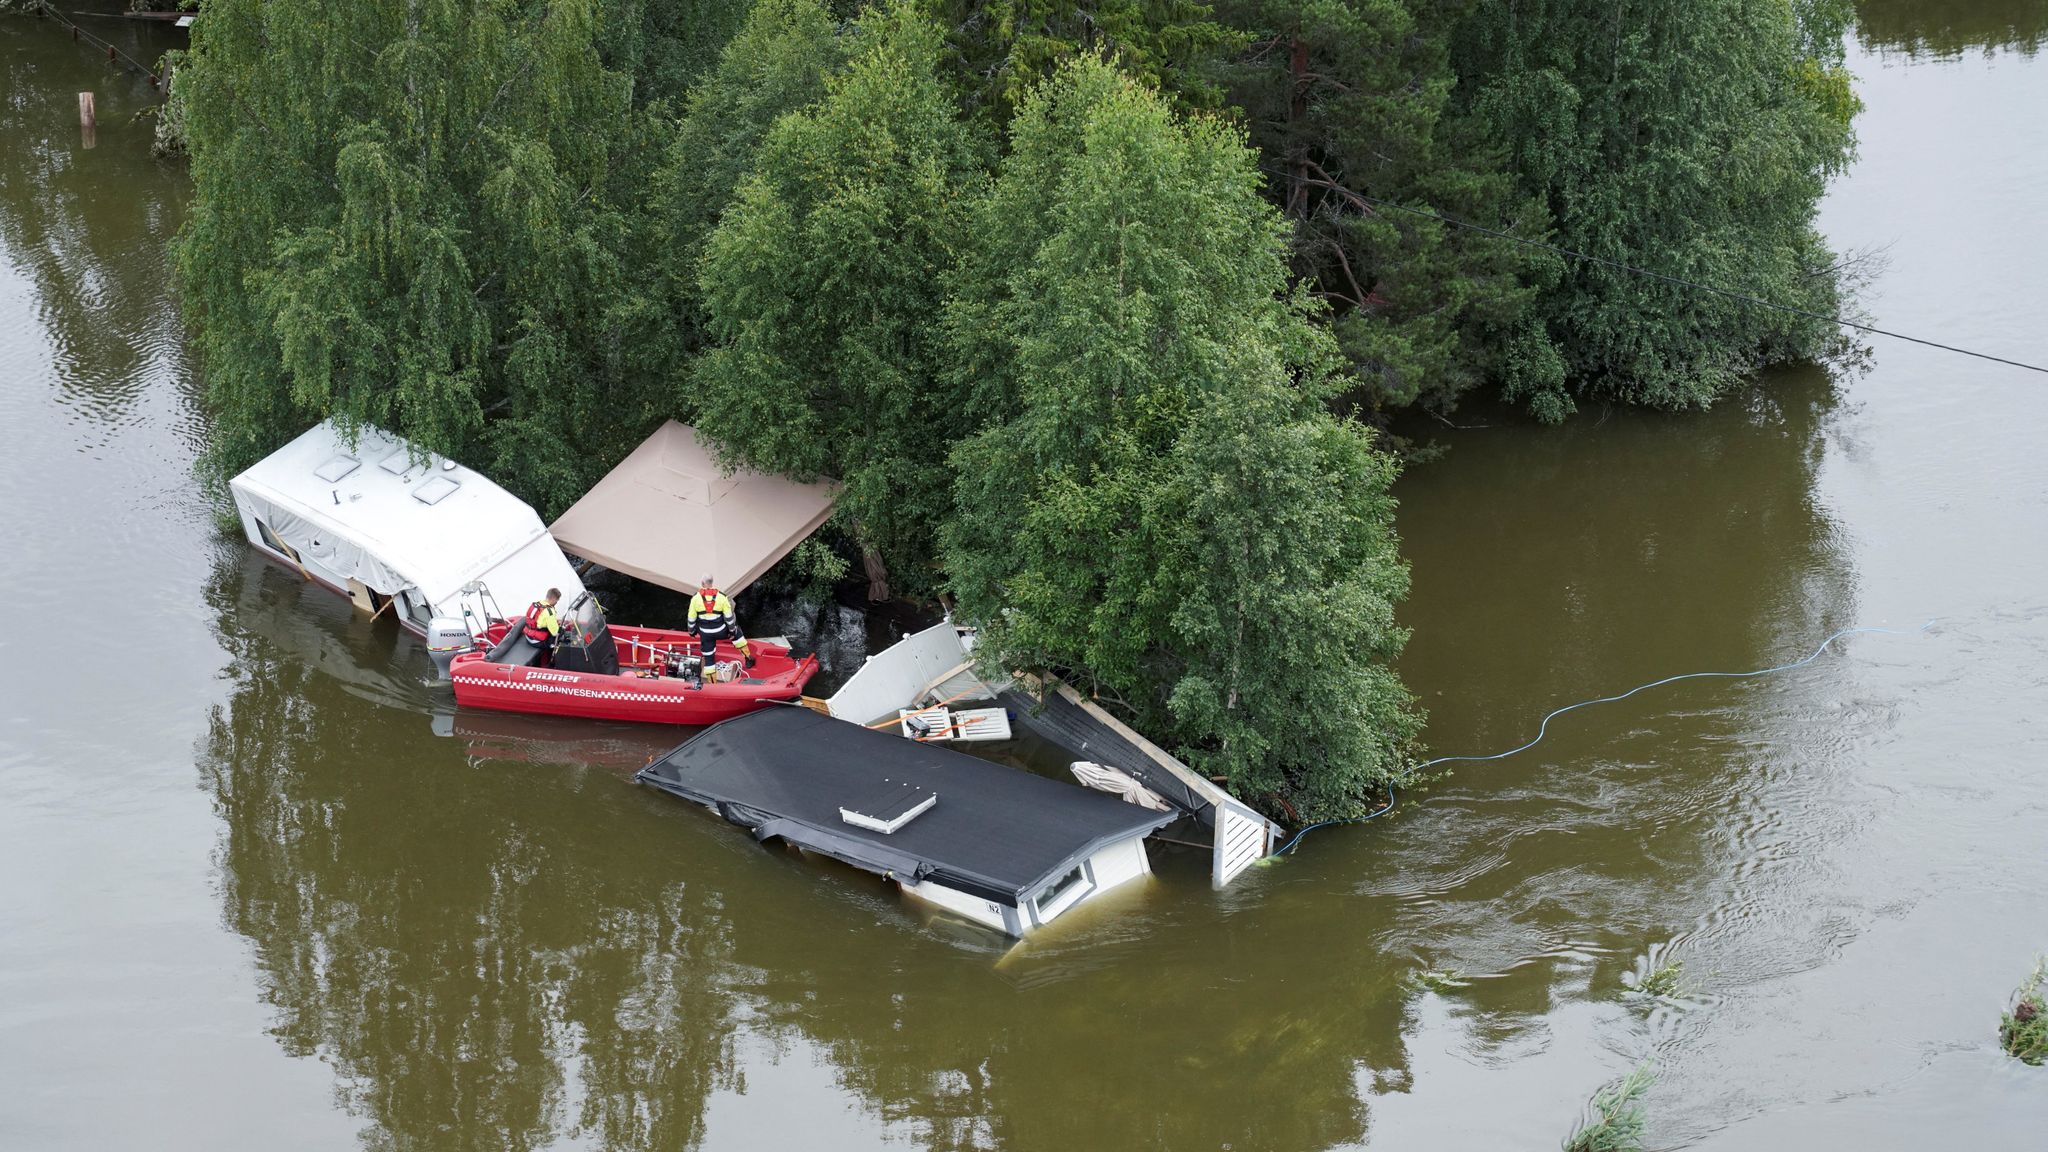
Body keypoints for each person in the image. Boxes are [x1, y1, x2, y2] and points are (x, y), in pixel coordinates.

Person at [687, 576, 754, 676]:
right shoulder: (722, 597)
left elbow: (691, 619)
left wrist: (692, 632)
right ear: (712, 583)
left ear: (702, 583)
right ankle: (748, 658)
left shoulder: (695, 598)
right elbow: (729, 618)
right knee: (737, 634)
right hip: (721, 631)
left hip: (706, 634)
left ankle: (712, 684)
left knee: (709, 659)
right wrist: (732, 631)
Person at [522, 588, 562, 665]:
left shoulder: (537, 604)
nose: (556, 602)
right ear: (554, 599)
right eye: (557, 600)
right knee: (559, 637)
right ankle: (551, 663)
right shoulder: (549, 612)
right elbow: (555, 632)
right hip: (536, 641)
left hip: (528, 636)